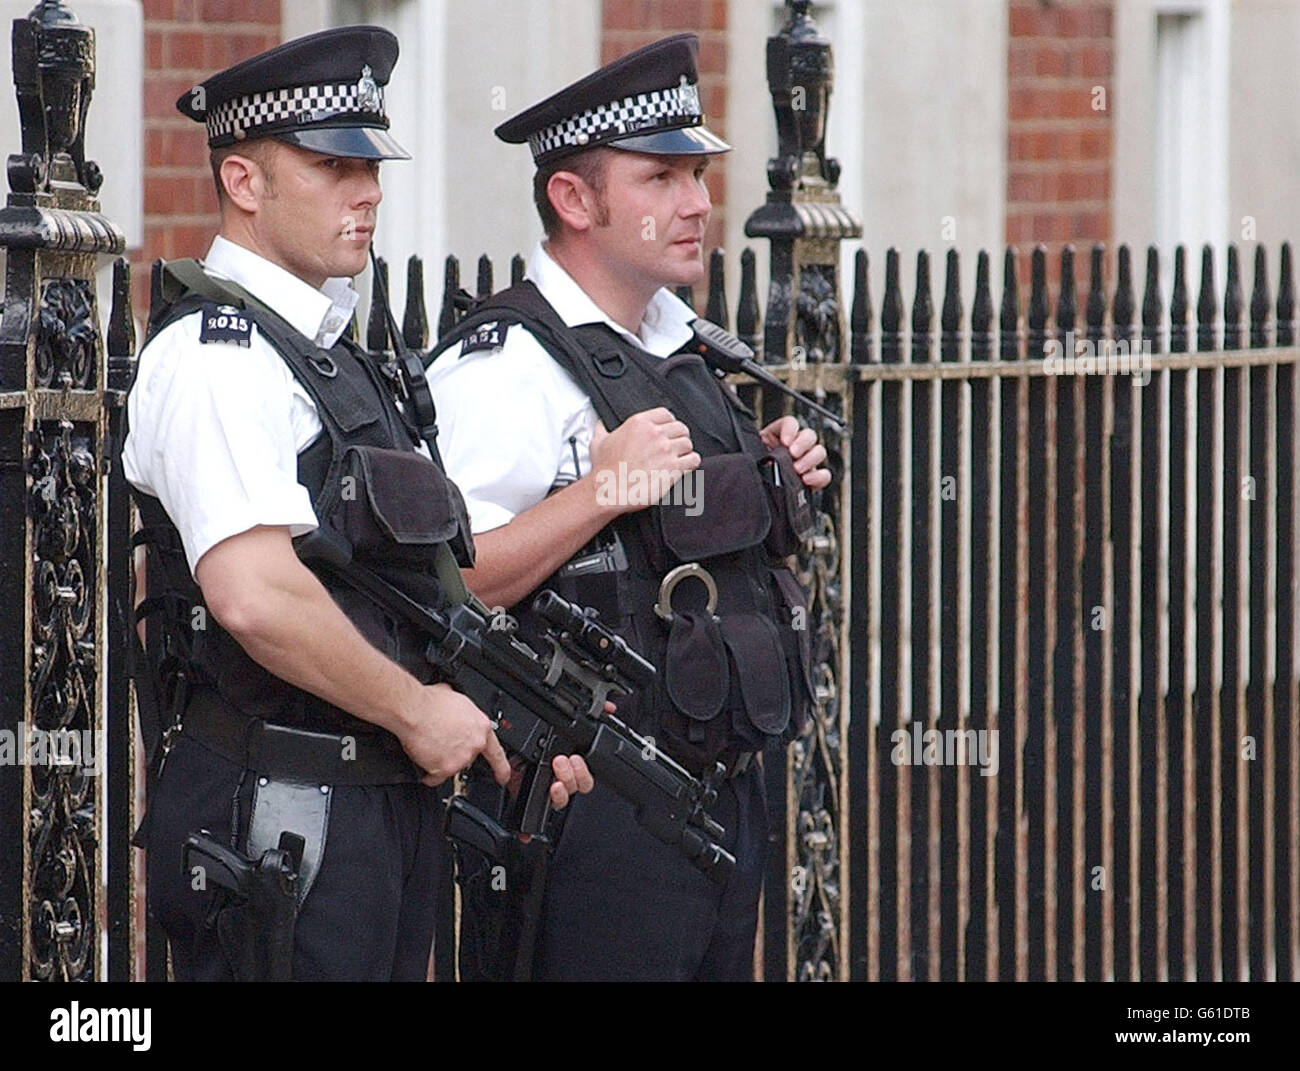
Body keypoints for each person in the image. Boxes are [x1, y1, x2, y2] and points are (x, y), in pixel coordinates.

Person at [122, 25, 592, 982]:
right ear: (245, 182)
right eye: (335, 166)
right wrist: (418, 712)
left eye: (371, 164)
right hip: (281, 811)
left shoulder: (340, 360)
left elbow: (404, 592)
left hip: (371, 810)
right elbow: (255, 593)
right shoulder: (217, 357)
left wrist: (520, 722)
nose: (368, 190)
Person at [427, 33, 831, 981]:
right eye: (660, 178)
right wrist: (599, 491)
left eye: (697, 175)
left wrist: (763, 469)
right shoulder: (502, 370)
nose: (696, 202)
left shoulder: (684, 347)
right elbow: (454, 584)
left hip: (723, 795)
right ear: (573, 199)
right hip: (589, 814)